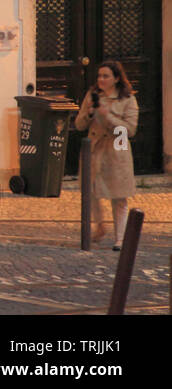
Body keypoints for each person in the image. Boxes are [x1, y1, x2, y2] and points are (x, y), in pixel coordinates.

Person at [75, 60, 139, 250]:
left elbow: (130, 129)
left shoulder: (127, 99)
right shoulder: (92, 95)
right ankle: (99, 225)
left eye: (106, 76)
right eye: (99, 76)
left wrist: (107, 116)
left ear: (116, 78)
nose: (101, 80)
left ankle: (121, 238)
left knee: (119, 195)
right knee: (91, 190)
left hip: (116, 149)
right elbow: (79, 125)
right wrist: (89, 113)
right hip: (94, 149)